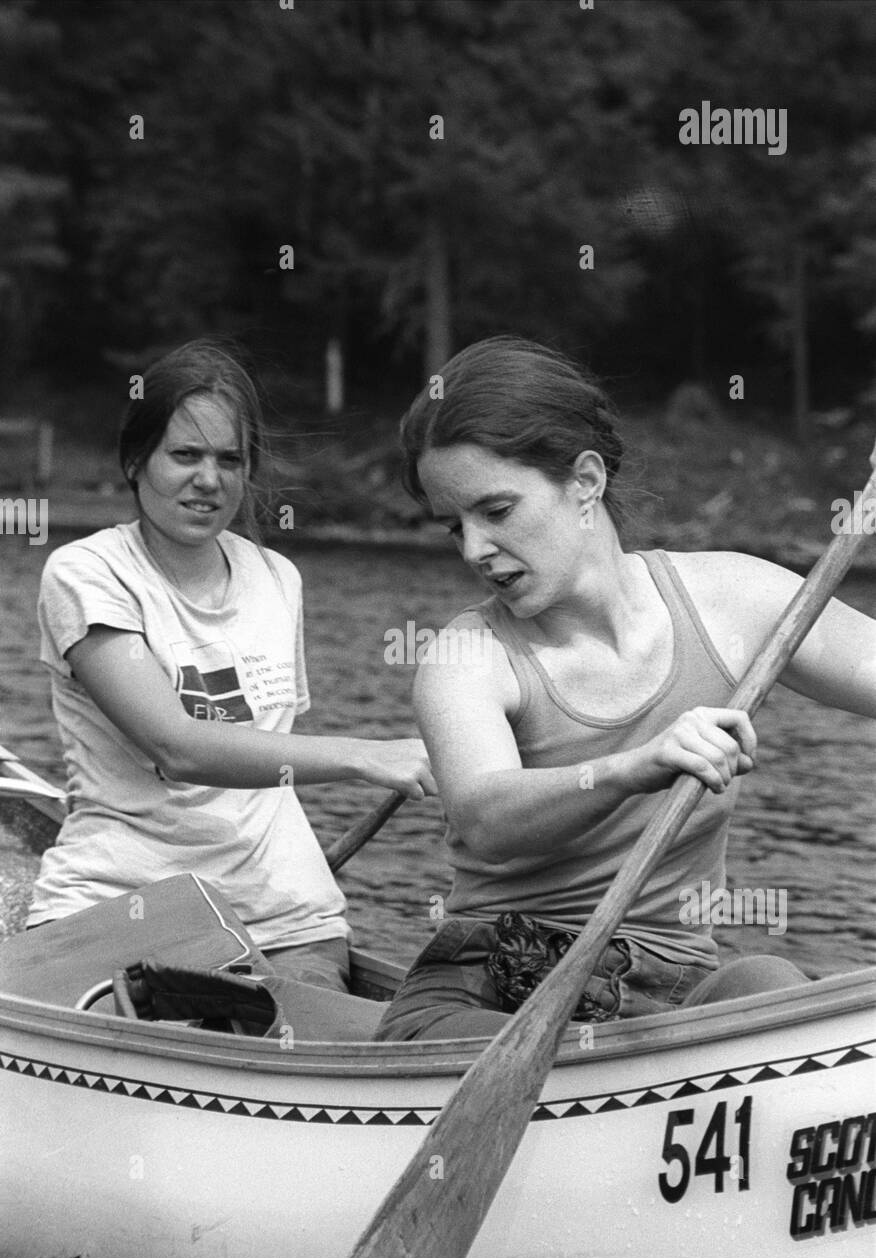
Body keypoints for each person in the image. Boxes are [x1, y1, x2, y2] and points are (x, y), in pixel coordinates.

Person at [376, 336, 876, 1041]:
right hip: (487, 984)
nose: (473, 550)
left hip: (674, 984)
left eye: (496, 511)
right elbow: (486, 820)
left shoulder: (735, 598)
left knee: (770, 985)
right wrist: (630, 769)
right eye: (453, 526)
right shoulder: (466, 656)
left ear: (584, 481)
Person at [26, 340, 435, 999]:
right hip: (117, 911)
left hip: (283, 921)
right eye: (185, 455)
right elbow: (177, 747)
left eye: (229, 459)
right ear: (136, 461)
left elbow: (264, 756)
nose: (209, 479)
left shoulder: (278, 579)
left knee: (302, 1037)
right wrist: (370, 754)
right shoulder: (86, 574)